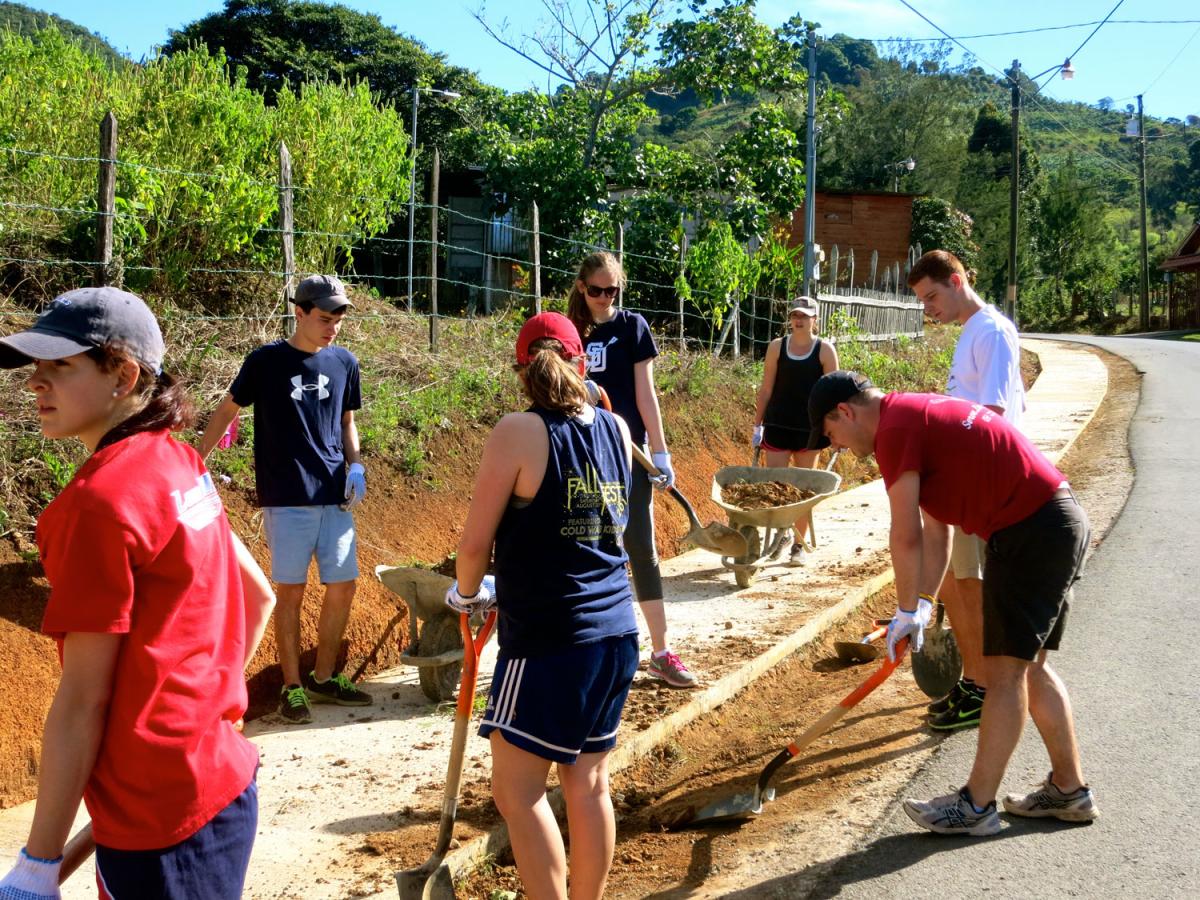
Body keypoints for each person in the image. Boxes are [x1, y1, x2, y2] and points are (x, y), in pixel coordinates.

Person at [0, 287, 275, 898]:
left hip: (159, 826)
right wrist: (200, 714)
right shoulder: (182, 462)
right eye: (35, 369)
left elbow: (82, 703)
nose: (34, 384)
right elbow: (258, 599)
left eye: (59, 367)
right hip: (217, 785)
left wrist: (38, 865)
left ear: (122, 375)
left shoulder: (96, 506)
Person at [807, 371, 1097, 836]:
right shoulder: (911, 414)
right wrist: (921, 603)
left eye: (831, 433)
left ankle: (976, 806)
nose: (837, 444)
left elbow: (904, 535)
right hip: (1055, 522)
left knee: (1003, 673)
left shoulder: (894, 432)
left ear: (846, 411)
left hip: (1031, 532)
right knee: (1030, 668)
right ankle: (1070, 790)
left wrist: (903, 610)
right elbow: (935, 529)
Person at [449, 312, 639, 900]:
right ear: (581, 363)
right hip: (615, 631)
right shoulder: (615, 429)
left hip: (551, 641)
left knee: (517, 791)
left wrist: (466, 591)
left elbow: (475, 543)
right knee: (589, 785)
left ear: (521, 372)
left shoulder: (517, 432)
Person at [199, 274, 370, 724]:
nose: (332, 327)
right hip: (287, 496)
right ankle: (292, 688)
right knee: (289, 593)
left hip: (335, 495)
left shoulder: (344, 362)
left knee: (343, 585)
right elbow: (227, 410)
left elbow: (346, 419)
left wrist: (355, 463)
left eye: (338, 320)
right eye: (324, 318)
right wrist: (195, 460)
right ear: (299, 312)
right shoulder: (266, 362)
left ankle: (324, 676)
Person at [908, 249, 1027, 732]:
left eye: (932, 296)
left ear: (957, 281)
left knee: (972, 586)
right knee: (959, 584)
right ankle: (973, 679)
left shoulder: (992, 331)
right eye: (921, 300)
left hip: (988, 480)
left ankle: (981, 687)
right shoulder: (969, 333)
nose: (928, 308)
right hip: (966, 478)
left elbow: (993, 416)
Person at [566, 251, 695, 688]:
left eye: (613, 290)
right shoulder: (569, 332)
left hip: (628, 454)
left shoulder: (633, 327)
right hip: (582, 455)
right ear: (583, 288)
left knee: (640, 545)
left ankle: (661, 651)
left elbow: (646, 395)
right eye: (597, 290)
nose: (605, 298)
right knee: (586, 547)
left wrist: (660, 453)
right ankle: (587, 648)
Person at [752, 295, 839, 565]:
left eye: (804, 316)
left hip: (809, 429)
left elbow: (833, 395)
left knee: (802, 488)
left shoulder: (824, 351)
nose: (799, 320)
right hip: (777, 424)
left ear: (815, 319)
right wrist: (758, 424)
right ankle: (782, 535)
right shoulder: (777, 347)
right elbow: (766, 388)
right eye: (795, 315)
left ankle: (798, 545)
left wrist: (835, 430)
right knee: (775, 486)